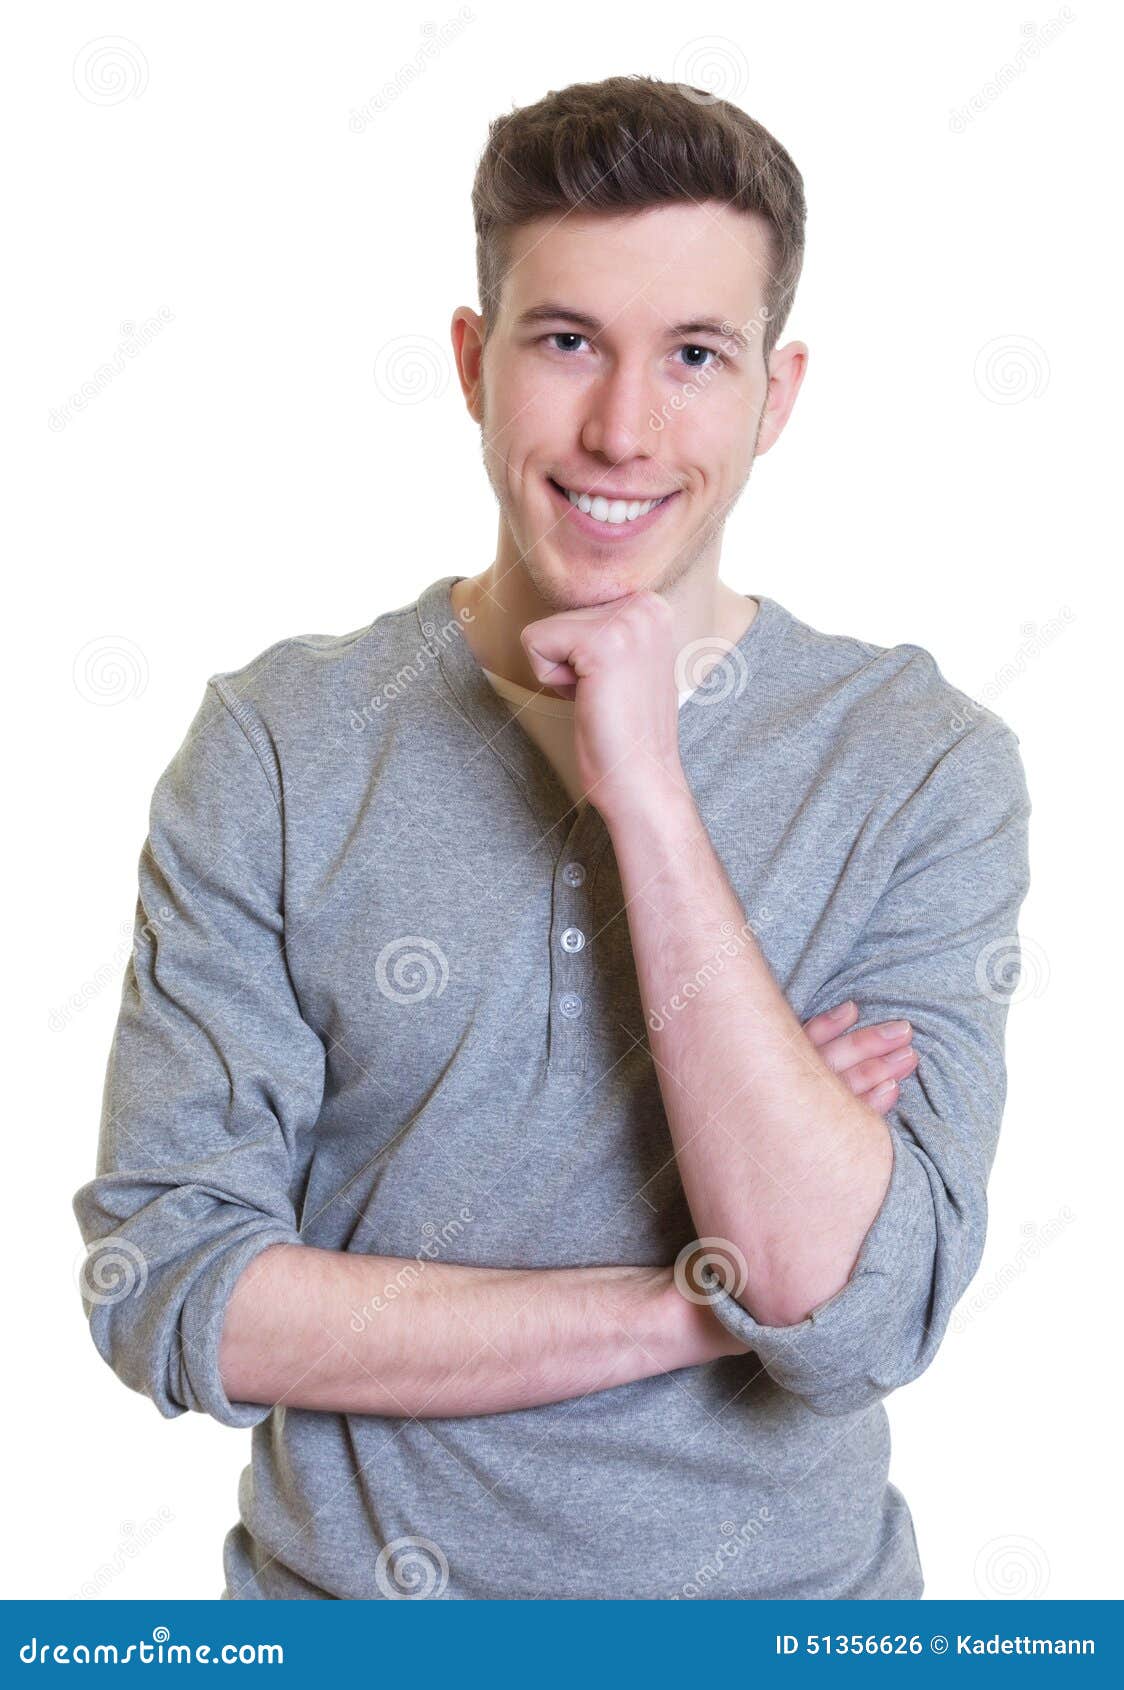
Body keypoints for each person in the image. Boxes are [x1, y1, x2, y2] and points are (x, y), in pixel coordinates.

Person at [72, 75, 1032, 1601]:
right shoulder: (277, 744)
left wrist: (644, 786)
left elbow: (848, 1305)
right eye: (567, 340)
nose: (622, 429)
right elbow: (175, 1287)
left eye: (696, 355)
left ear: (776, 398)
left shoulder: (919, 766)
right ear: (473, 362)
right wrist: (677, 1307)